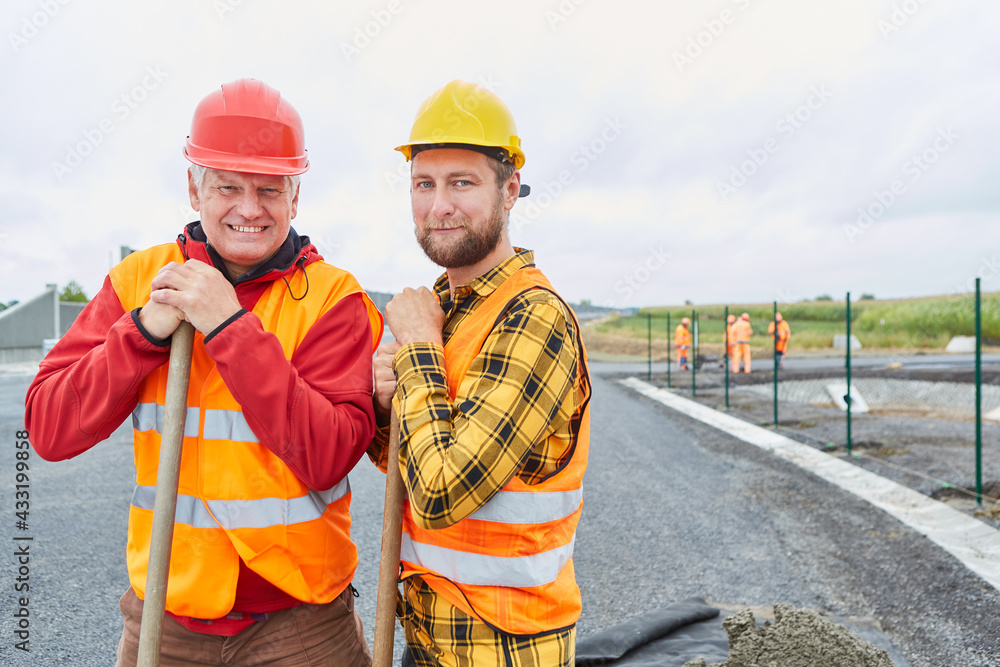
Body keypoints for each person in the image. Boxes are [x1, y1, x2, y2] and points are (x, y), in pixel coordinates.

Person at [24, 78, 381, 666]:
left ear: (296, 197)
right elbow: (49, 428)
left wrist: (228, 326)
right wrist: (139, 333)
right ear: (194, 187)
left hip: (301, 627)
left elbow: (328, 456)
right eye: (227, 187)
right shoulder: (139, 283)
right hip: (166, 621)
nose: (249, 208)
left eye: (269, 189)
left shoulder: (333, 298)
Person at [368, 80, 591, 667]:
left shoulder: (533, 317)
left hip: (504, 645)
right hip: (430, 634)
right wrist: (386, 405)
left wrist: (417, 351)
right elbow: (408, 464)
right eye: (424, 183)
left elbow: (444, 491)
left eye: (461, 182)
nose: (438, 205)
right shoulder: (448, 308)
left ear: (510, 189)